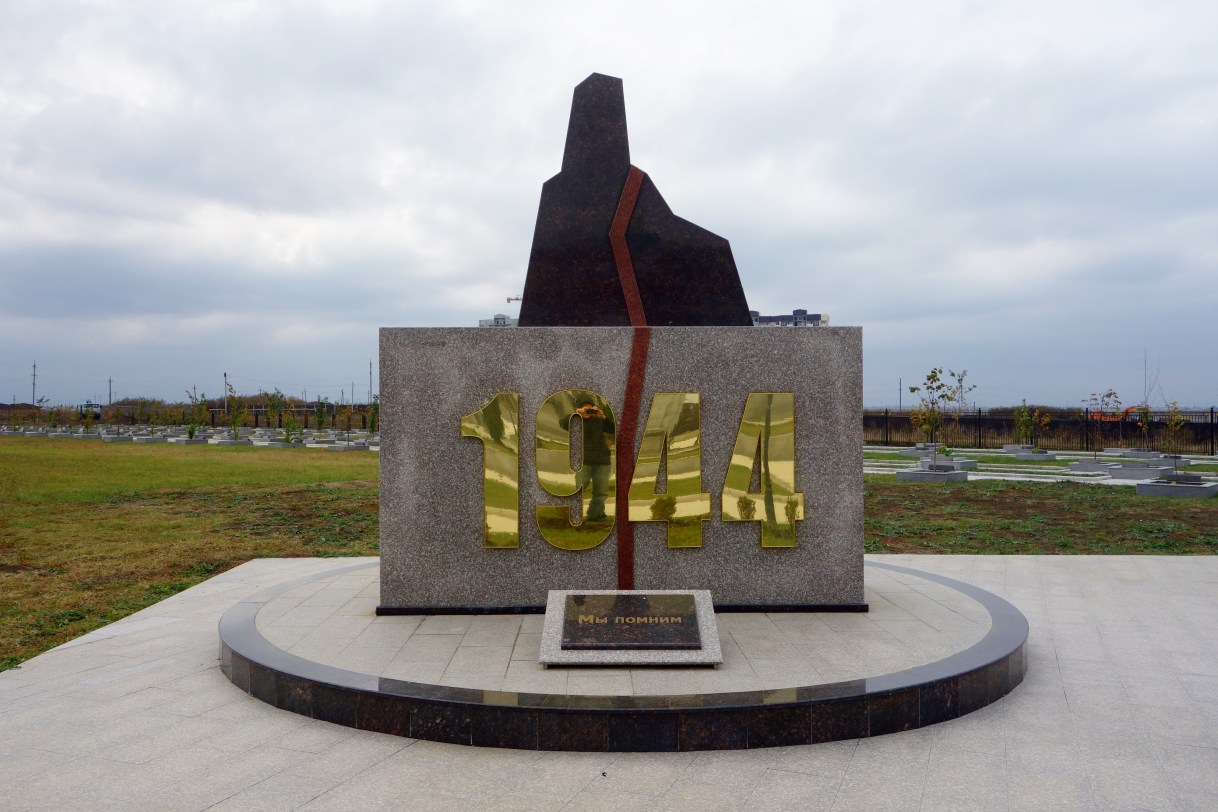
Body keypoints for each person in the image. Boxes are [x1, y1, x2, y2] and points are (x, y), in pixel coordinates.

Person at [567, 400, 614, 522]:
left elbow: (613, 430)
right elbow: (562, 423)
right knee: (579, 489)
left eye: (590, 409)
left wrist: (603, 417)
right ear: (579, 409)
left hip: (602, 461)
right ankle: (573, 514)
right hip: (584, 461)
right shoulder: (576, 420)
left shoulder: (599, 420)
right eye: (585, 409)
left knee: (601, 493)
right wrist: (577, 414)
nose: (588, 411)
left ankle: (594, 516)